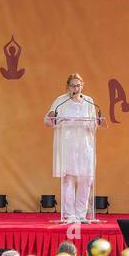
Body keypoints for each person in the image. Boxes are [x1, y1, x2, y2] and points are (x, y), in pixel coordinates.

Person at [44, 73, 105, 223]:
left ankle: (81, 214)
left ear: (82, 86)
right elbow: (48, 120)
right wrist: (53, 118)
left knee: (86, 178)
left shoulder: (89, 101)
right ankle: (70, 214)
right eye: (73, 85)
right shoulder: (60, 101)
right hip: (68, 145)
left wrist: (96, 122)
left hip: (85, 145)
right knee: (69, 179)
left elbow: (93, 124)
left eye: (78, 85)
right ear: (68, 86)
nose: (76, 88)